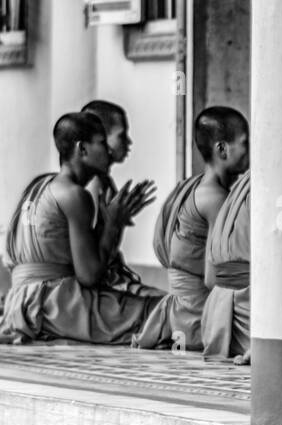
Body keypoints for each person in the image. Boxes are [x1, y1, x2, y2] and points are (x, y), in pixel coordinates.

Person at [0, 112, 157, 345]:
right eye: (101, 143)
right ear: (82, 148)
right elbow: (89, 276)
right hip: (56, 304)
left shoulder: (38, 185)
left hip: (19, 301)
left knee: (150, 305)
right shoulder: (74, 195)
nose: (108, 151)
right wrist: (113, 224)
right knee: (160, 312)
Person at [135, 106, 249, 351]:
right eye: (245, 143)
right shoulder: (216, 199)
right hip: (200, 317)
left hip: (176, 313)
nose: (251, 150)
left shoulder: (189, 187)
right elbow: (213, 279)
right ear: (222, 149)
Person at [79, 100, 161, 298]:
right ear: (101, 139)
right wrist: (114, 223)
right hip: (98, 289)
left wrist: (121, 217)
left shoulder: (104, 181)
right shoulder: (93, 186)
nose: (129, 143)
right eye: (122, 136)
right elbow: (91, 264)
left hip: (112, 279)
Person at [201, 169, 251, 364]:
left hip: (214, 320)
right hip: (246, 315)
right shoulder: (217, 197)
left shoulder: (236, 190)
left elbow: (209, 279)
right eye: (244, 143)